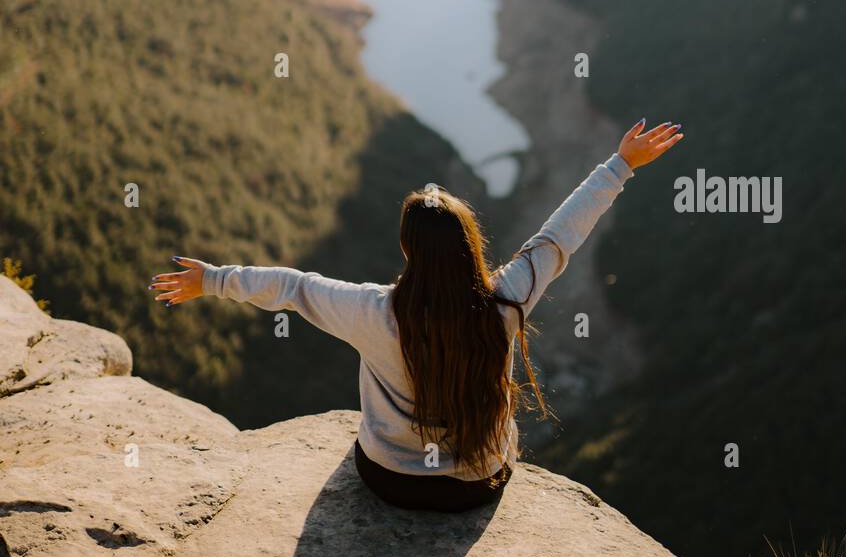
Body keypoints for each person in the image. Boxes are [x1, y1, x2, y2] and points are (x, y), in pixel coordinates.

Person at [149, 118, 683, 512]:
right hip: (478, 486)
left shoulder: (372, 311)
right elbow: (556, 239)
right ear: (471, 247)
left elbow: (293, 287)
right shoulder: (507, 300)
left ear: (408, 252)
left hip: (390, 480)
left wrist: (212, 279)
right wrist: (619, 166)